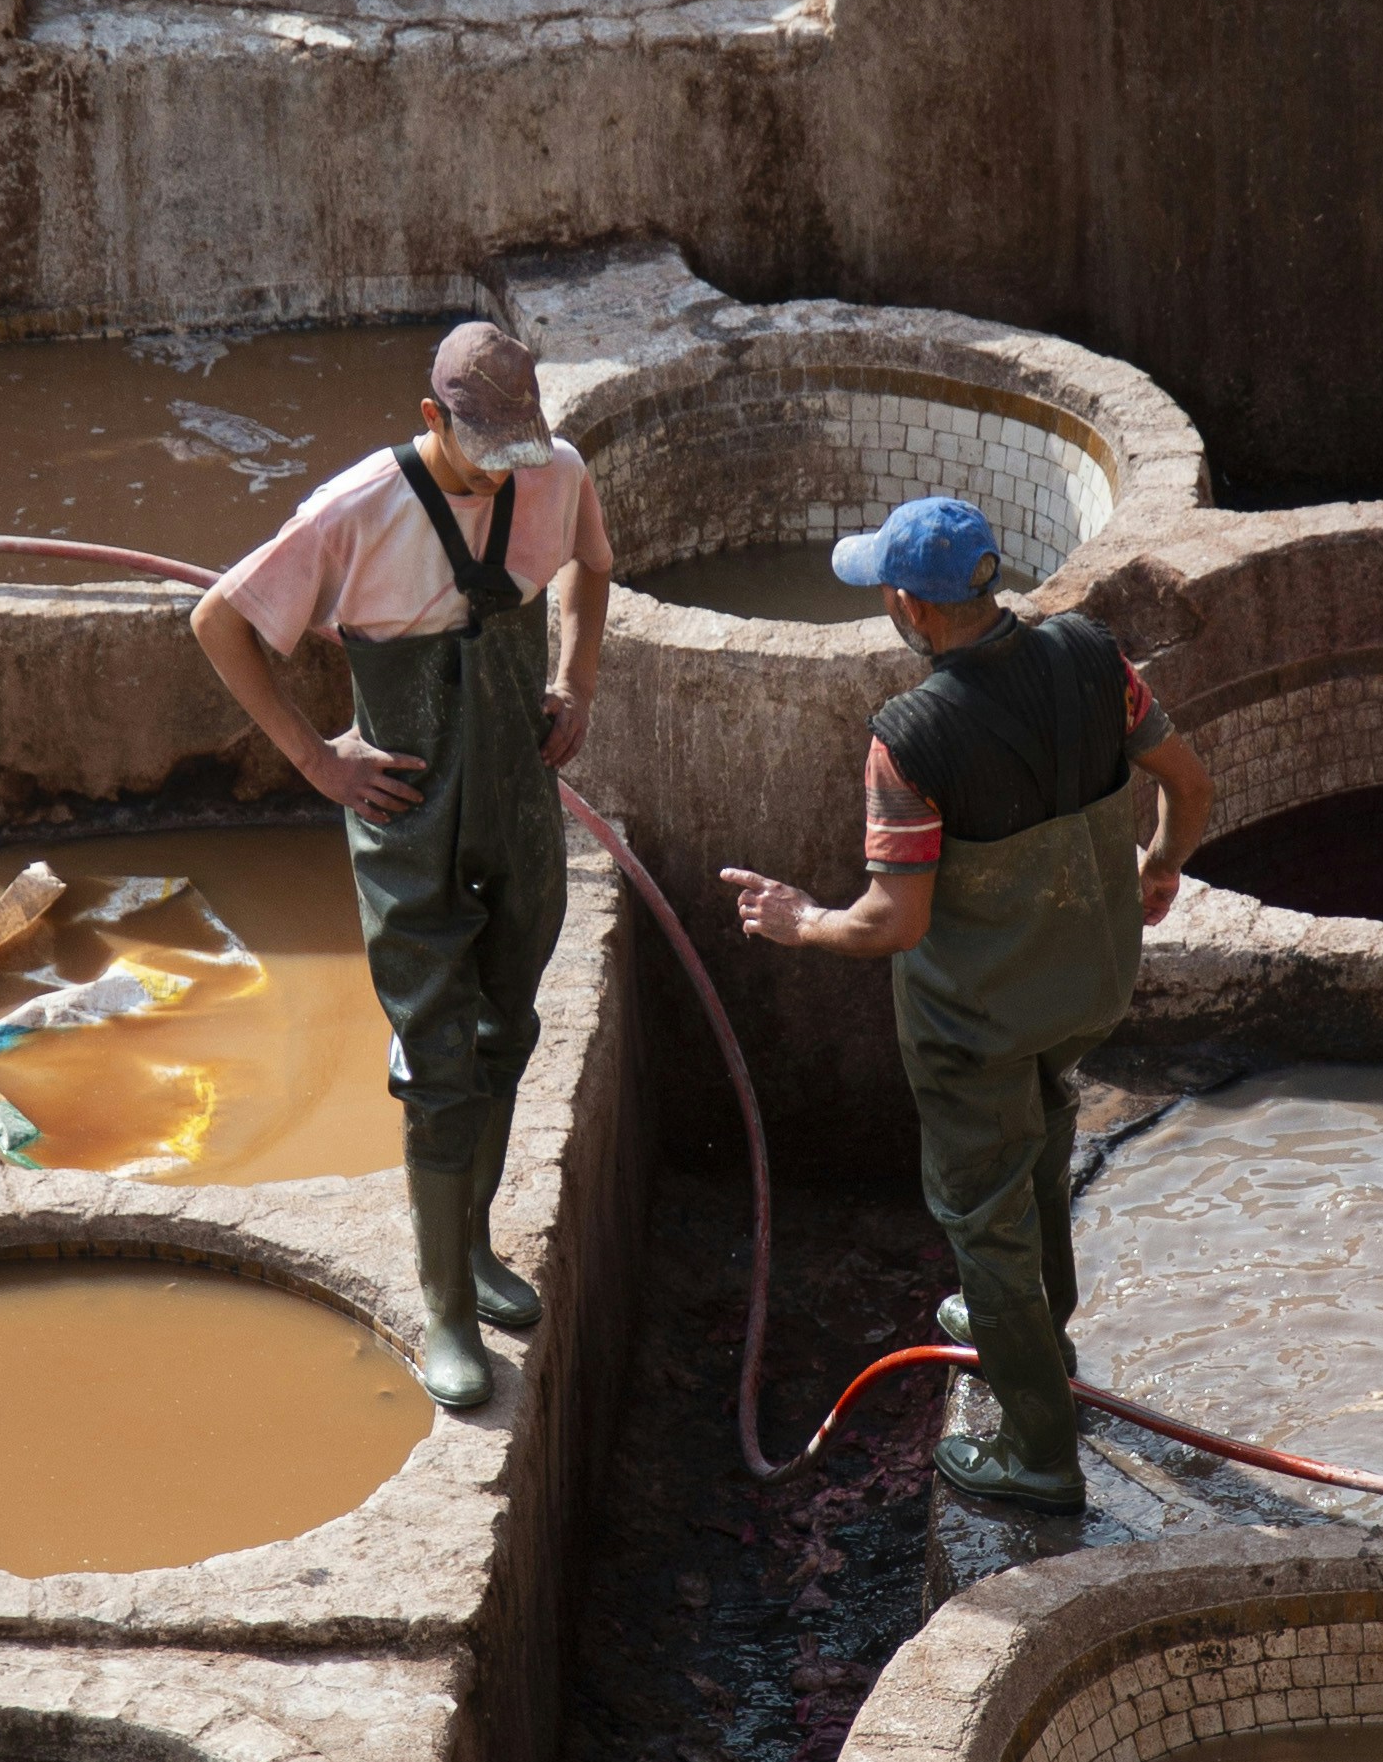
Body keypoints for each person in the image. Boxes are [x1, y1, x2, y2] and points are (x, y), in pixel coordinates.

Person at [722, 494, 1208, 1515]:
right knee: (1040, 1138)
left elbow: (892, 923)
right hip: (1085, 986)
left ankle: (1038, 1449)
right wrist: (1160, 864)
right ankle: (1043, 1330)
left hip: (975, 1023)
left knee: (983, 1213)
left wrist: (799, 919)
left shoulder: (911, 740)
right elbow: (1187, 780)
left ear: (911, 604)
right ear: (987, 584)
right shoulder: (1089, 653)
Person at [192, 317, 610, 1411]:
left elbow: (595, 567)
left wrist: (578, 678)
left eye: (524, 443)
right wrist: (315, 757)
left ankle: (473, 1248)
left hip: (517, 795)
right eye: (487, 447)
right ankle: (445, 1310)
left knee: (507, 1022)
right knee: (435, 1055)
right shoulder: (352, 508)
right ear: (433, 419)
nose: (511, 466)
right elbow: (218, 621)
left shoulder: (555, 470)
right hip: (409, 807)